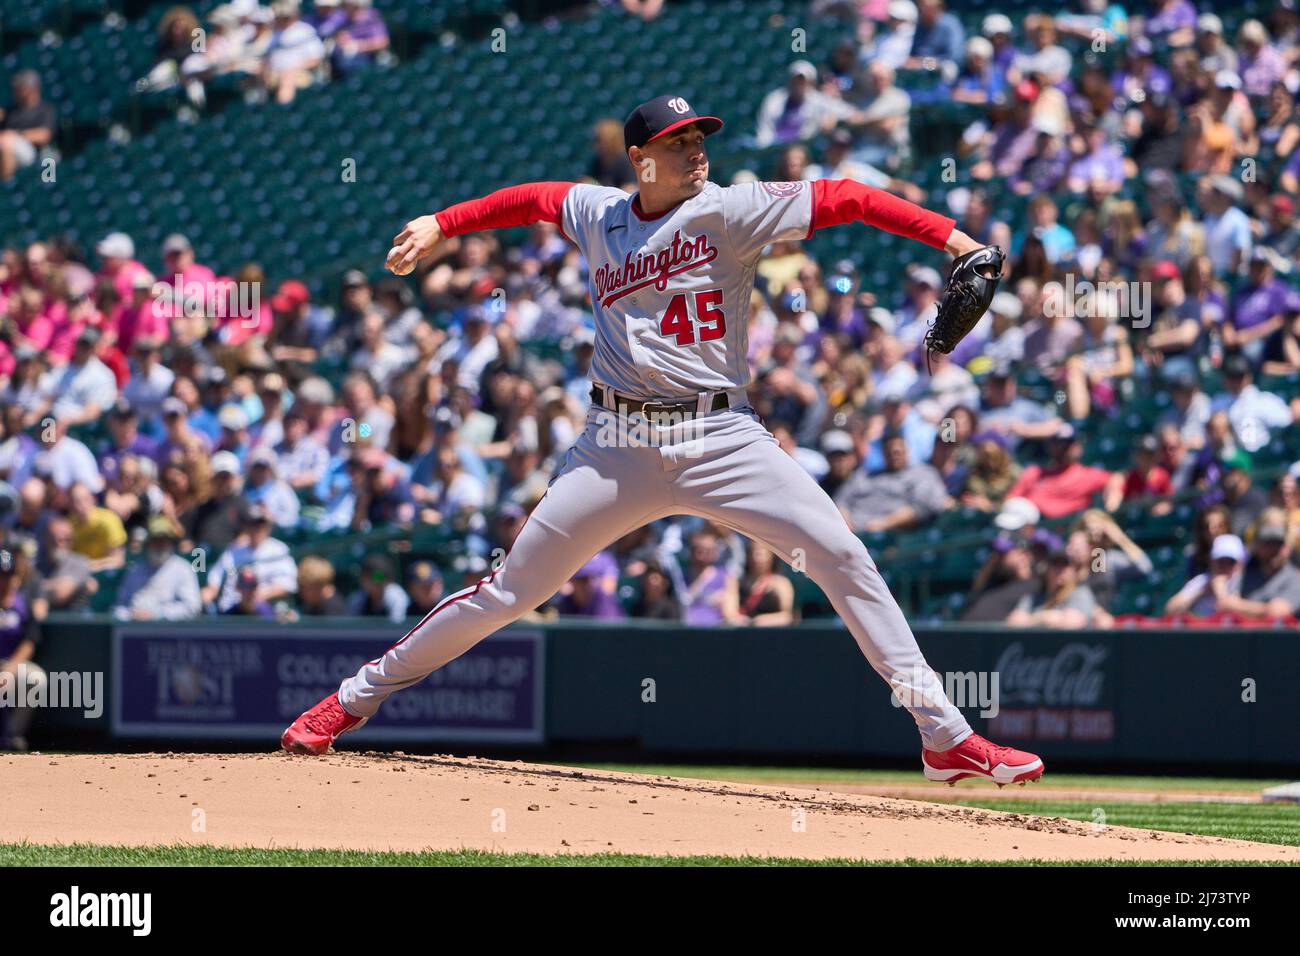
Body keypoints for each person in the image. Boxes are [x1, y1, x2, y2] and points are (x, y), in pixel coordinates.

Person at [284, 94, 1044, 787]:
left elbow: (846, 195)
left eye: (698, 138)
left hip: (722, 434)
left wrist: (954, 238)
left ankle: (944, 737)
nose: (696, 151)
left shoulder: (733, 209)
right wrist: (443, 223)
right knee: (512, 591)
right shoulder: (598, 212)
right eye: (679, 143)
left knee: (843, 557)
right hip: (616, 443)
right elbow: (527, 200)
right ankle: (351, 701)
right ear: (641, 160)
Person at [112, 518, 202, 621]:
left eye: (164, 541)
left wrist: (158, 614)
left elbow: (193, 607)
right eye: (155, 540)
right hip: (133, 630)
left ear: (171, 543)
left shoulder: (183, 569)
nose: (159, 545)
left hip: (168, 631)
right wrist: (131, 615)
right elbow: (120, 606)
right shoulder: (135, 569)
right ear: (148, 544)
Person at [0, 549, 46, 751]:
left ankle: (12, 736)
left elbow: (30, 640)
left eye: (7, 575)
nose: (3, 580)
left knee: (36, 679)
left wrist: (10, 668)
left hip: (12, 663)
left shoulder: (23, 603)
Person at [1006, 547, 1102, 629]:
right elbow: (1014, 621)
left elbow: (1073, 622)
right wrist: (1054, 617)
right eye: (1055, 564)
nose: (1060, 570)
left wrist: (1037, 617)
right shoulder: (1033, 597)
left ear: (1074, 570)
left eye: (1065, 565)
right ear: (1047, 568)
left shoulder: (1080, 593)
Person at [1165, 533, 1247, 617]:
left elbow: (1224, 606)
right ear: (1211, 561)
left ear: (1240, 563)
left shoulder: (1245, 581)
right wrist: (1202, 591)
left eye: (1231, 562)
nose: (1225, 566)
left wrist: (1220, 590)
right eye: (1221, 561)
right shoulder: (1202, 581)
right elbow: (1170, 609)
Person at [0, 71, 55, 182]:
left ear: (33, 88)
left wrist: (16, 135)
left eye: (21, 87)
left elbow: (44, 135)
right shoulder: (11, 109)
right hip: (8, 145)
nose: (17, 91)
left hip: (34, 152)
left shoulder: (45, 109)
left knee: (6, 141)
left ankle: (6, 184)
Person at [346, 553, 410, 623]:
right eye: (367, 577)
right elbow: (351, 626)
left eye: (379, 578)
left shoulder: (396, 597)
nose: (376, 583)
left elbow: (397, 627)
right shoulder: (358, 598)